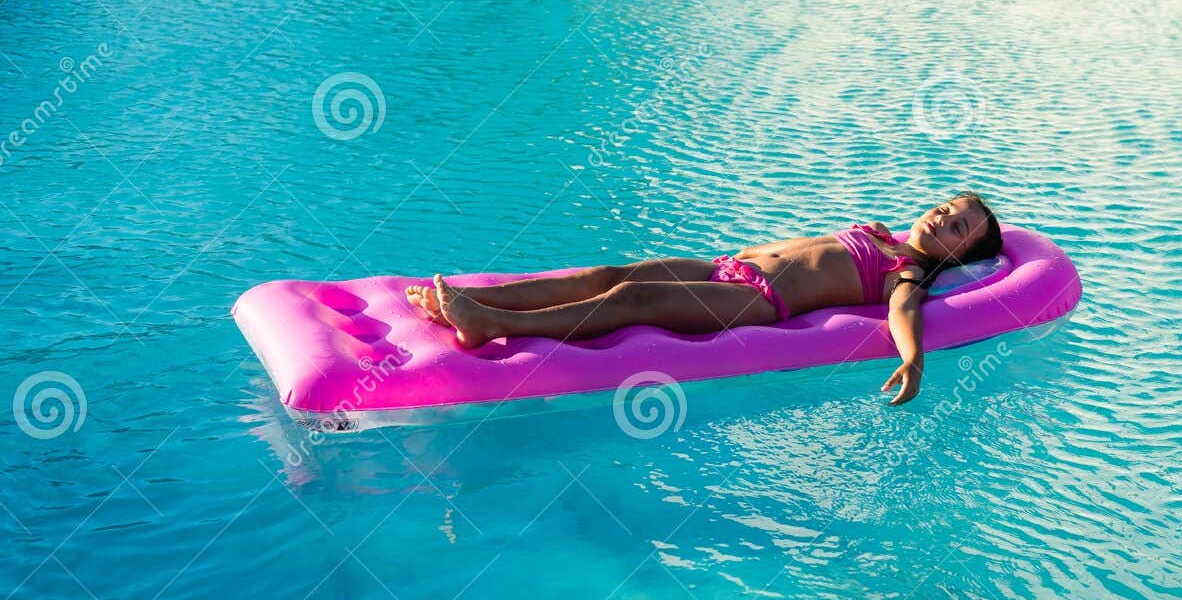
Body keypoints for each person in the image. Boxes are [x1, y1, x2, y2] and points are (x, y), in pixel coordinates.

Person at [408, 192, 1004, 404]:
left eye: (957, 227)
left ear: (958, 257)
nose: (942, 218)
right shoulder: (880, 232)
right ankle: (477, 299)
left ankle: (489, 322)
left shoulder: (908, 270)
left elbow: (903, 310)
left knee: (632, 297)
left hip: (756, 300)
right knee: (611, 273)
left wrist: (912, 359)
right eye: (945, 207)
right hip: (727, 266)